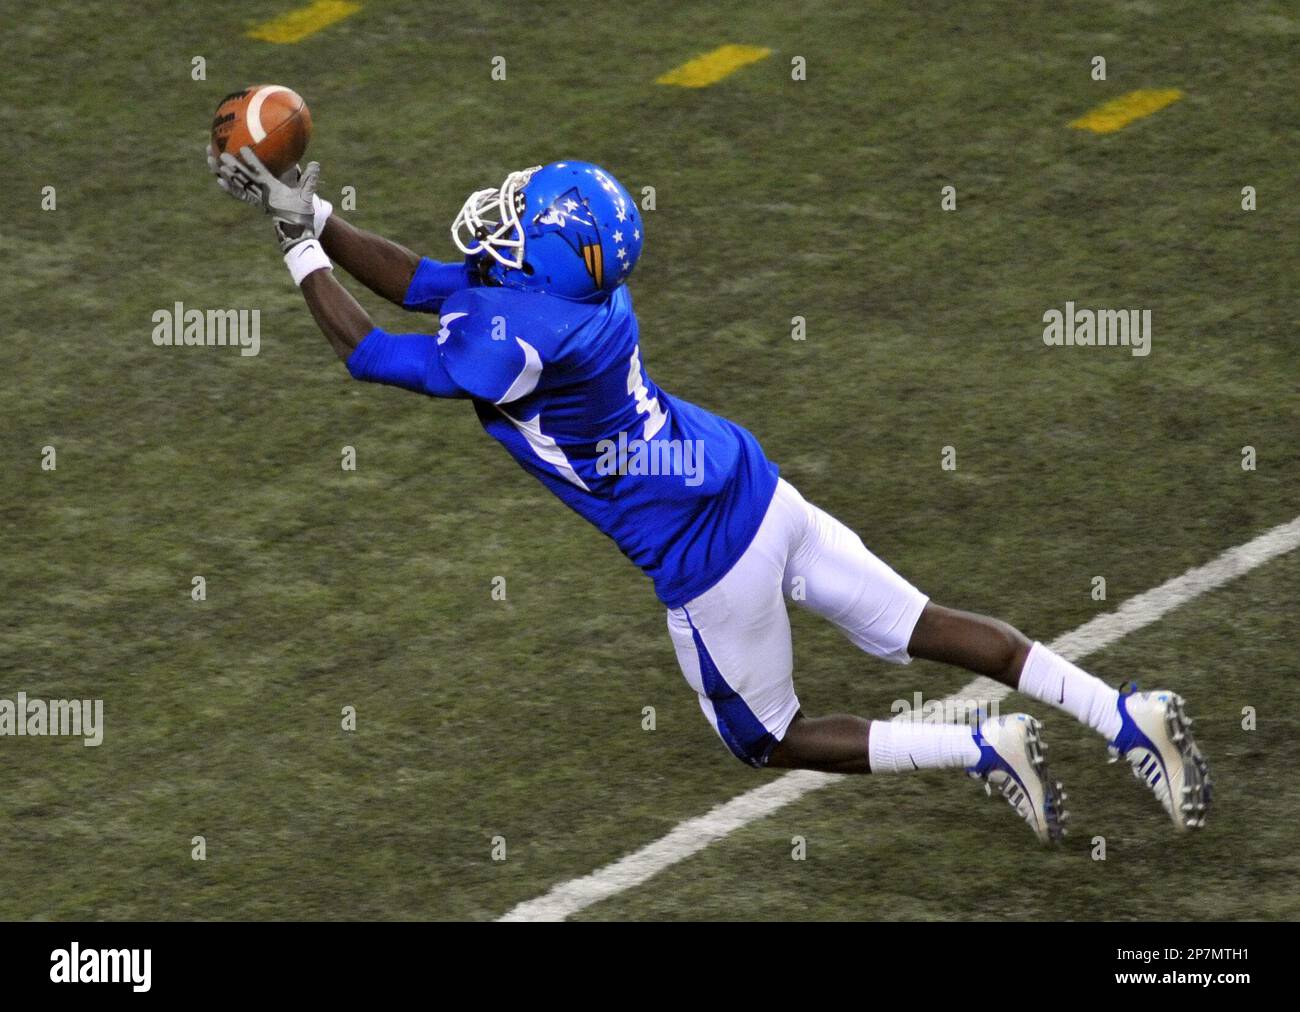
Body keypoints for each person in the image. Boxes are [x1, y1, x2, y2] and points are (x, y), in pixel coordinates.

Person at [207, 148, 1211, 842]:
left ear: (542, 259)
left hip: (700, 557)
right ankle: (1126, 715)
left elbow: (373, 348)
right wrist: (320, 215)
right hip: (746, 481)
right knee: (923, 625)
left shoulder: (511, 343)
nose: (503, 213)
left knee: (766, 738)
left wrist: (292, 246)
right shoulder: (589, 296)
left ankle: (979, 747)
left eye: (522, 214)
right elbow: (433, 281)